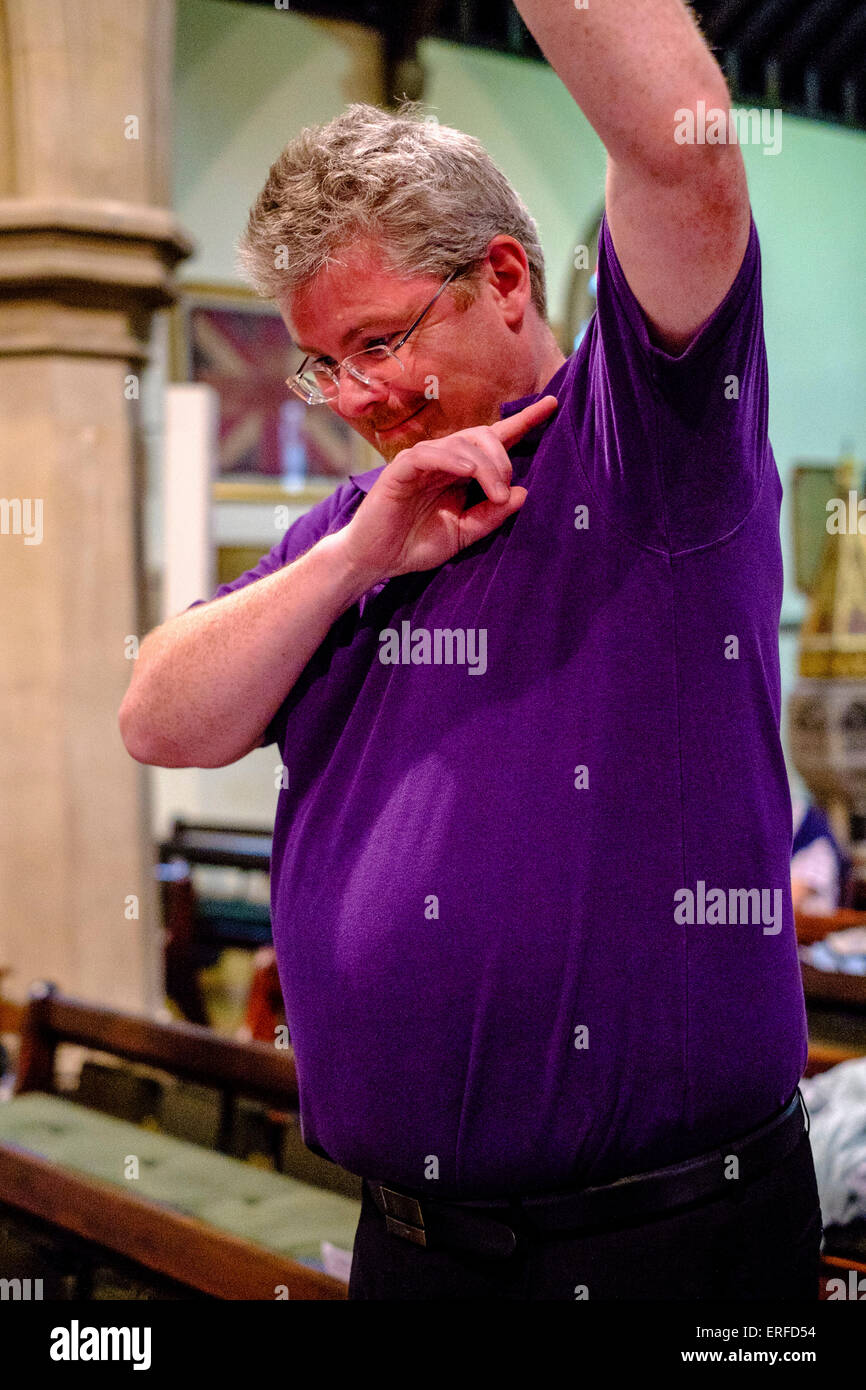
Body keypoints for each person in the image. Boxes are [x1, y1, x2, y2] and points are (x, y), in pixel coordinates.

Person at [120, 0, 822, 1299]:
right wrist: (352, 560)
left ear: (505, 278)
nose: (359, 397)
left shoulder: (642, 448)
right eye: (324, 366)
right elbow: (159, 717)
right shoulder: (360, 526)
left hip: (653, 1245)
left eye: (380, 342)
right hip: (414, 1246)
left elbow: (684, 153)